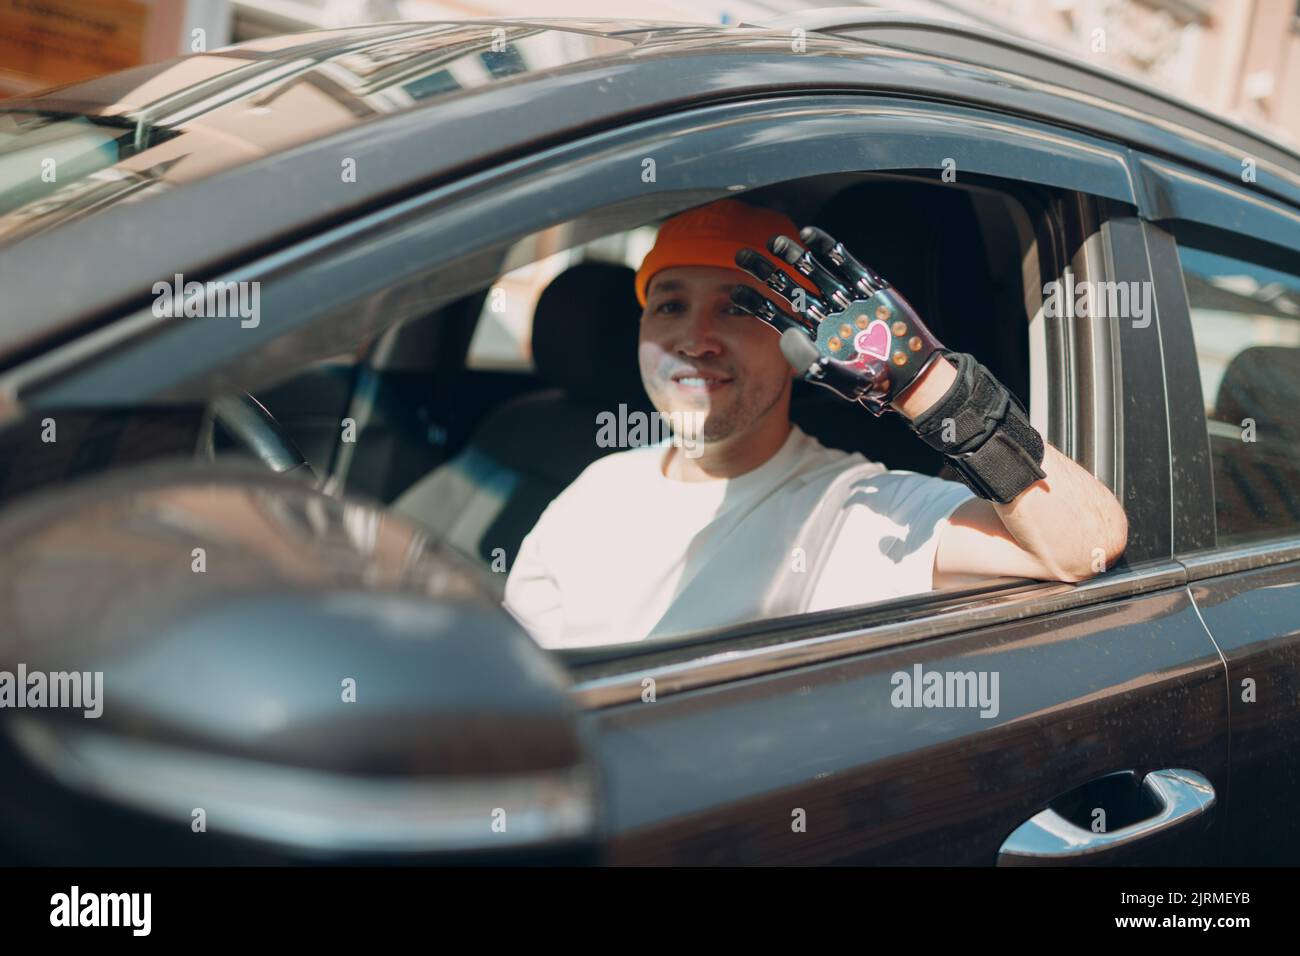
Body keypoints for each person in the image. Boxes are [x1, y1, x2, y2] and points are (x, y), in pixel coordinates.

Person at [503, 198, 1128, 649]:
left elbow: (1085, 545)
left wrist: (924, 382)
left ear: (804, 342)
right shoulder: (597, 488)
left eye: (740, 308)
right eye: (670, 305)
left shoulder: (853, 509)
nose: (695, 340)